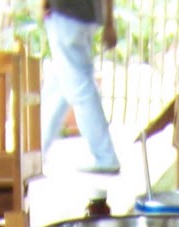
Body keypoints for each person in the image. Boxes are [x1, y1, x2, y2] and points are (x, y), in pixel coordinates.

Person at [41, 0, 121, 175]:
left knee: (80, 87)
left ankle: (105, 156)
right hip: (87, 14)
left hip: (66, 12)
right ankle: (37, 149)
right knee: (60, 83)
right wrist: (109, 21)